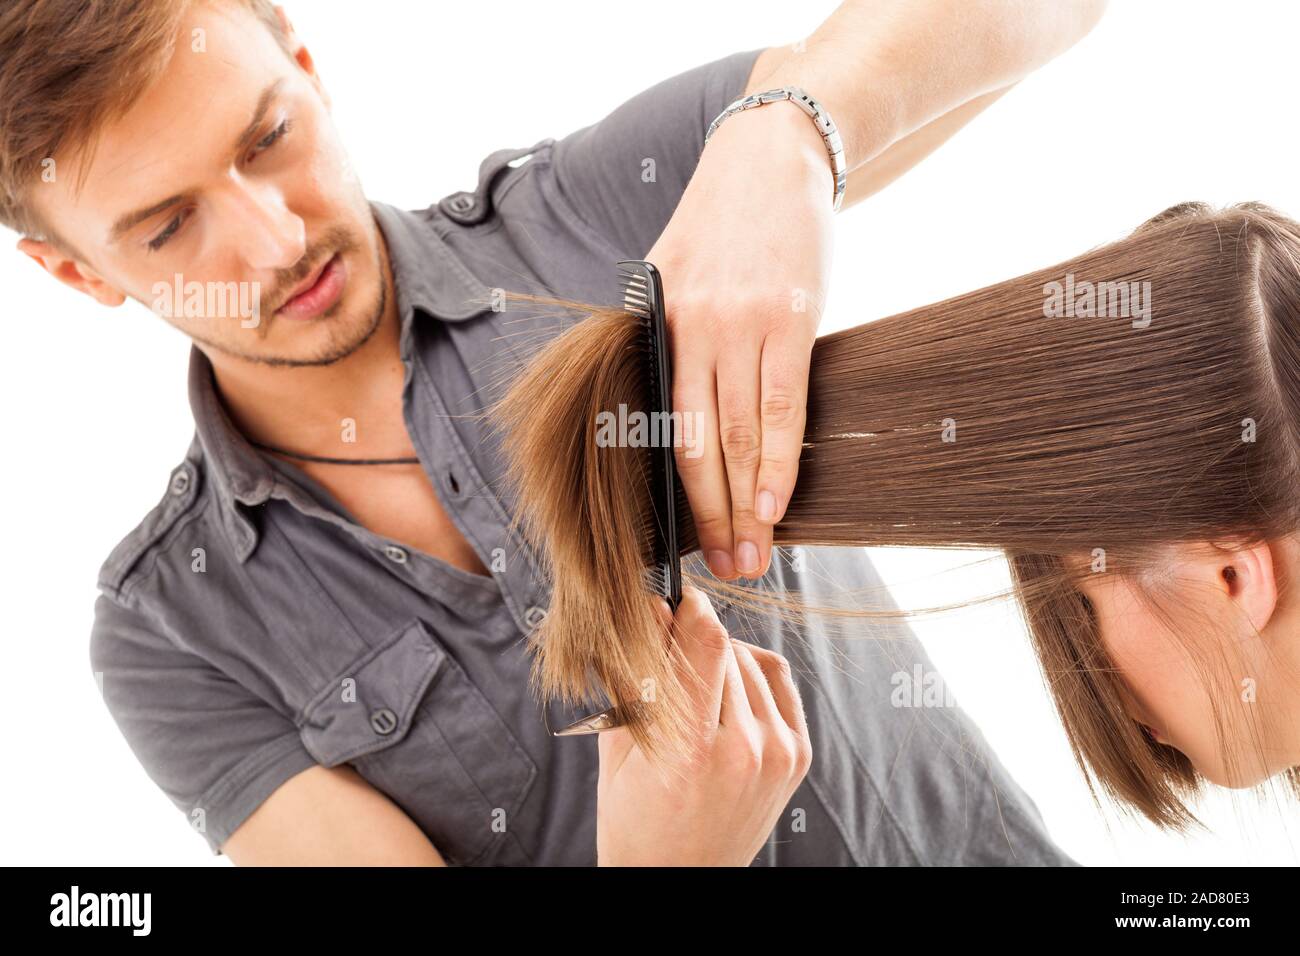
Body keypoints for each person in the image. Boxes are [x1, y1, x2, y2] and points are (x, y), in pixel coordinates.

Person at [0, 0, 1103, 864]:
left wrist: (788, 135)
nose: (275, 238)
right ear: (76, 271)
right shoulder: (173, 635)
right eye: (168, 225)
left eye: (270, 135)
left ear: (308, 65)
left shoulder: (588, 216)